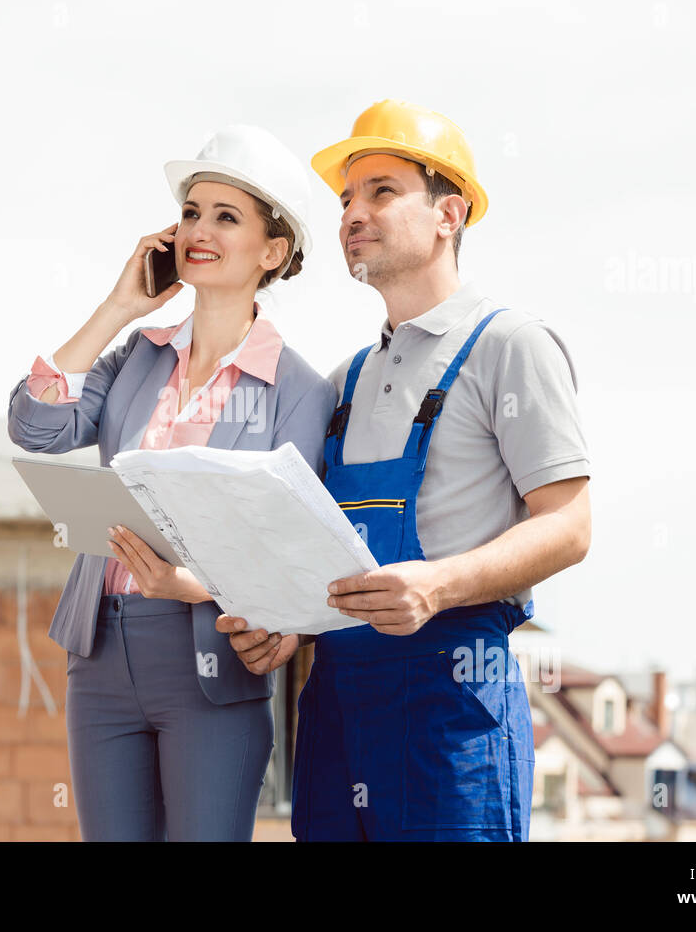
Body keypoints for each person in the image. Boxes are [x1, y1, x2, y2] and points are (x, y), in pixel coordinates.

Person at [218, 99, 593, 841]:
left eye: (381, 191)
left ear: (449, 212)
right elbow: (310, 544)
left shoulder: (509, 346)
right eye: (347, 198)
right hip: (336, 706)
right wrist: (288, 626)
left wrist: (438, 583)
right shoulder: (343, 382)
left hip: (451, 708)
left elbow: (571, 525)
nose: (354, 211)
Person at [7, 125, 337, 841]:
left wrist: (189, 581)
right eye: (192, 212)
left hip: (208, 661)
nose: (200, 230)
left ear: (273, 251)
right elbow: (34, 426)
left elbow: (290, 554)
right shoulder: (136, 356)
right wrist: (120, 307)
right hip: (101, 653)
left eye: (226, 216)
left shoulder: (301, 391)